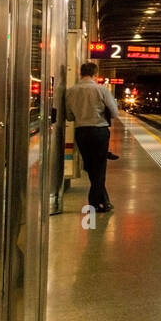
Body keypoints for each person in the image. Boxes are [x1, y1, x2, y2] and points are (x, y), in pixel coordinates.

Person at [66, 61, 120, 212]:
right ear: (95, 74)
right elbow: (114, 113)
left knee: (90, 167)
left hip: (81, 132)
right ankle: (95, 203)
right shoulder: (101, 90)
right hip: (99, 131)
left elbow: (69, 116)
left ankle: (104, 201)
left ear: (80, 73)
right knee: (99, 168)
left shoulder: (71, 91)